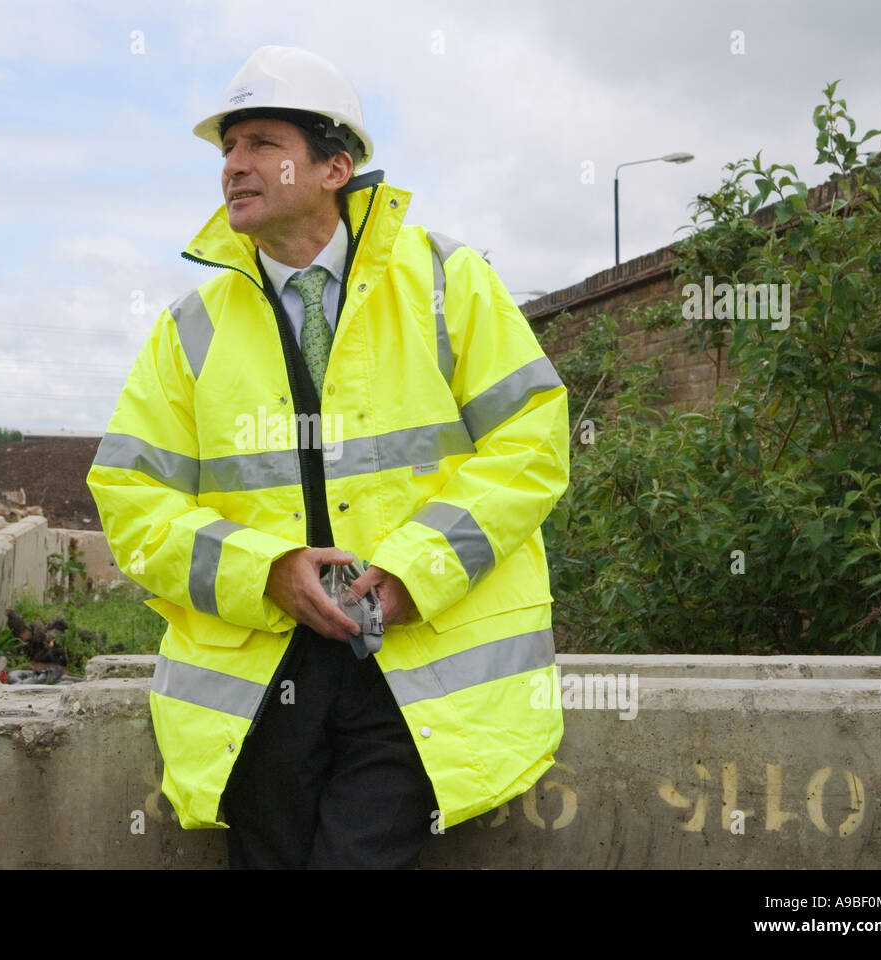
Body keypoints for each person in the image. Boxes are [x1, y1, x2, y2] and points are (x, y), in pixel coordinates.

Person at [87, 45, 571, 869]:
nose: (233, 166)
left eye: (261, 144)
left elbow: (530, 444)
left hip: (416, 658)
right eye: (227, 149)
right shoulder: (188, 329)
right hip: (260, 673)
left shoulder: (447, 282)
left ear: (333, 166)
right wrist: (265, 570)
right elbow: (132, 498)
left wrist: (419, 572)